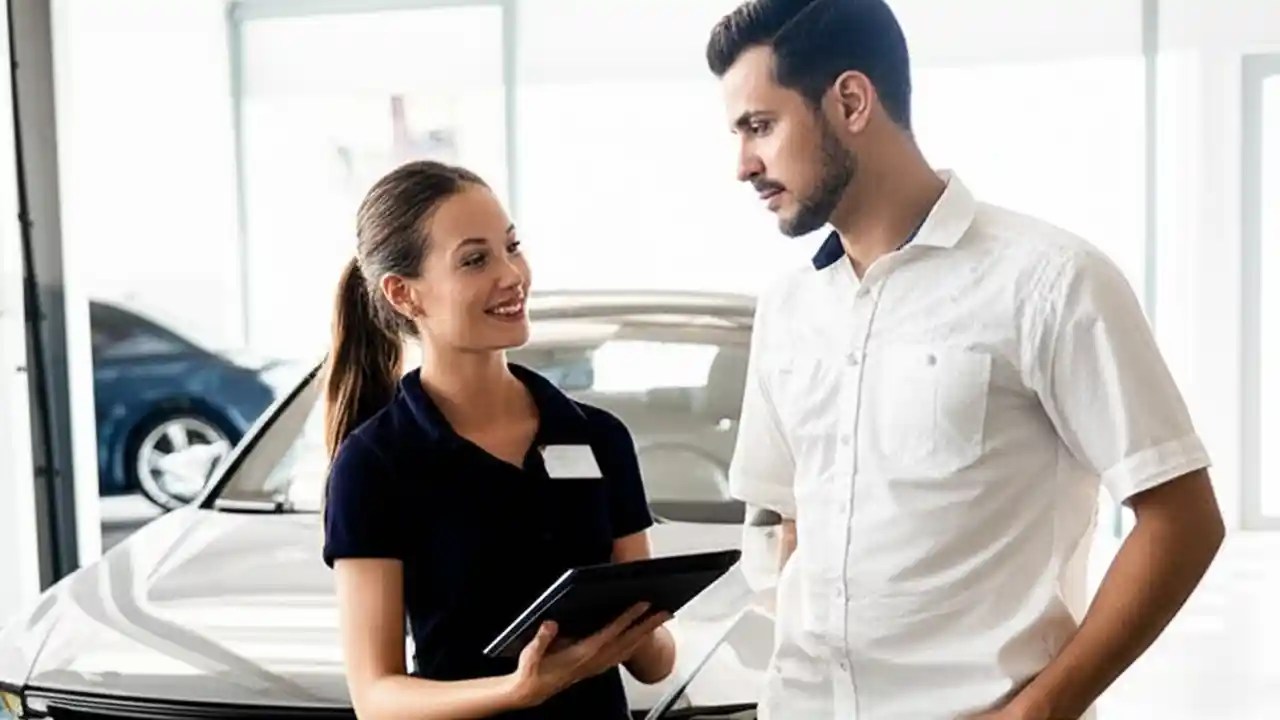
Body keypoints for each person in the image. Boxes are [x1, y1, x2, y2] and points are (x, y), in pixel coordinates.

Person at [705, 1, 1225, 718]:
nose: (743, 165)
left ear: (851, 101)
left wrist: (1039, 711)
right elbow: (793, 521)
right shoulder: (787, 308)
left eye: (760, 126)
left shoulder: (1051, 281)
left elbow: (1182, 521)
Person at [321, 160, 676, 720]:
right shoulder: (375, 463)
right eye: (475, 260)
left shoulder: (599, 437)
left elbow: (655, 665)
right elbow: (376, 698)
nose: (512, 275)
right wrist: (519, 690)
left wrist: (639, 624)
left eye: (512, 247)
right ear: (404, 294)